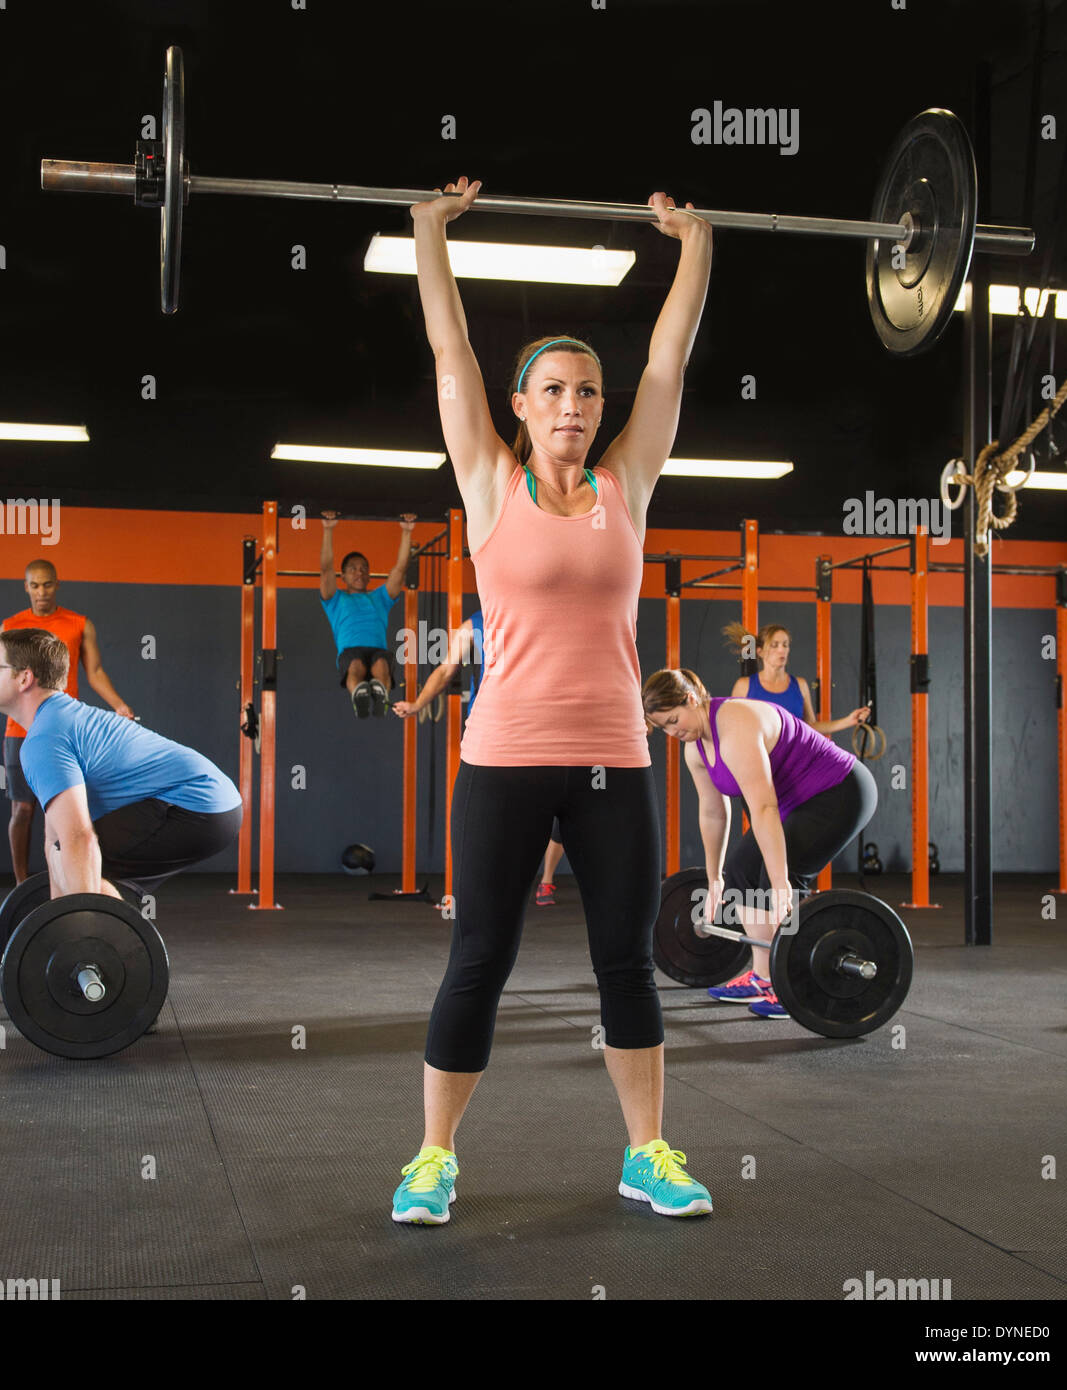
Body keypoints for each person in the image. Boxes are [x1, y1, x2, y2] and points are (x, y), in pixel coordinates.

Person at [391, 175, 714, 1226]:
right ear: (521, 407)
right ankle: (433, 1157)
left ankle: (647, 1153)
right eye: (554, 390)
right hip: (502, 758)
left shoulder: (629, 485)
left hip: (615, 760)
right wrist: (426, 232)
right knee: (478, 955)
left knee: (625, 959)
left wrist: (694, 244)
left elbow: (669, 359)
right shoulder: (488, 483)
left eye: (588, 391)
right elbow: (449, 355)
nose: (574, 404)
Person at [642, 668, 877, 1018]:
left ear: (692, 699)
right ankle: (764, 978)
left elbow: (763, 806)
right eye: (664, 728)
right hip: (795, 805)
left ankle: (794, 984)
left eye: (674, 720)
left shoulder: (735, 724)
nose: (673, 732)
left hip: (840, 792)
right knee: (740, 872)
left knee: (779, 876)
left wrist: (782, 883)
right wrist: (714, 878)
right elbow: (713, 812)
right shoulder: (696, 749)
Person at [0, 628, 240, 897]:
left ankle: (101, 926)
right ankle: (98, 920)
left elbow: (79, 838)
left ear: (24, 678)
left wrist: (80, 917)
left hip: (196, 805)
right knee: (67, 859)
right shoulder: (56, 721)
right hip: (212, 803)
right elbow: (54, 839)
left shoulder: (45, 738)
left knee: (79, 863)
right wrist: (57, 916)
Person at [0, 559, 135, 883]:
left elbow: (94, 672)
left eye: (47, 584)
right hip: (20, 731)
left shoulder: (79, 624)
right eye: (34, 585)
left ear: (57, 584)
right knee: (23, 810)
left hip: (66, 731)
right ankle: (22, 884)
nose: (41, 592)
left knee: (65, 814)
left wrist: (120, 706)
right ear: (26, 587)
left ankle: (65, 880)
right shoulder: (10, 626)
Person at [391, 611, 565, 906]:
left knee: (544, 808)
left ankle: (537, 880)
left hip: (535, 725)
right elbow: (446, 670)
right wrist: (417, 704)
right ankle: (482, 888)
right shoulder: (474, 625)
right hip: (492, 727)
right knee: (488, 810)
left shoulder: (539, 613)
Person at [320, 512, 417, 718]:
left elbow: (400, 569)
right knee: (355, 665)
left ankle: (380, 693)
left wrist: (406, 532)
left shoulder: (380, 597)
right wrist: (328, 529)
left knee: (382, 664)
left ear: (370, 575)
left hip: (378, 650)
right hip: (350, 650)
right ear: (343, 576)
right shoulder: (335, 600)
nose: (359, 573)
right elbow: (326, 568)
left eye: (364, 569)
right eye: (353, 569)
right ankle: (359, 695)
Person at [723, 621, 870, 736]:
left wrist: (848, 721)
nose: (782, 650)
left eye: (785, 645)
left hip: (794, 762)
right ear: (760, 652)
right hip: (759, 763)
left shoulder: (800, 685)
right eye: (774, 645)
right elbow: (732, 729)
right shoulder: (744, 686)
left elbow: (811, 727)